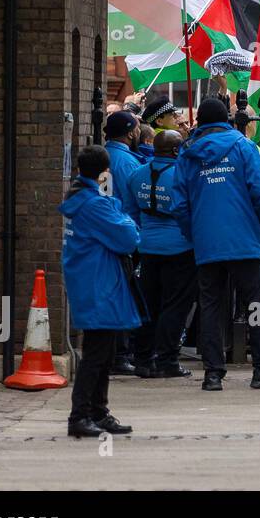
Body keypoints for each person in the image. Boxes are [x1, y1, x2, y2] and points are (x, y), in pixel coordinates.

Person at [170, 97, 260, 391]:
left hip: (207, 241)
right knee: (253, 302)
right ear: (226, 118)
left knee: (211, 306)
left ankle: (213, 372)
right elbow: (259, 192)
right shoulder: (243, 147)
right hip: (243, 239)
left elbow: (179, 204)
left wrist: (192, 232)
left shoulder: (187, 155)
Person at [59, 145, 142, 438]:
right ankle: (81, 414)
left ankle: (98, 411)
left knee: (102, 352)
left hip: (89, 280)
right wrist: (127, 219)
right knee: (96, 354)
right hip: (100, 284)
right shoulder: (95, 204)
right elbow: (128, 238)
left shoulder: (80, 200)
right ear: (104, 171)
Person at [118, 129, 197, 379]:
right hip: (180, 248)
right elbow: (189, 211)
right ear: (176, 150)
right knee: (175, 306)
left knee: (148, 305)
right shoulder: (183, 176)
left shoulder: (136, 174)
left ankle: (143, 359)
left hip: (147, 248)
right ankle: (167, 360)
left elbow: (130, 212)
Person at [102, 110, 144, 375]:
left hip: (104, 235)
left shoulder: (103, 156)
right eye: (137, 128)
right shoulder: (129, 163)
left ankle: (113, 353)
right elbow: (139, 199)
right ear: (129, 133)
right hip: (127, 235)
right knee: (127, 297)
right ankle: (121, 354)